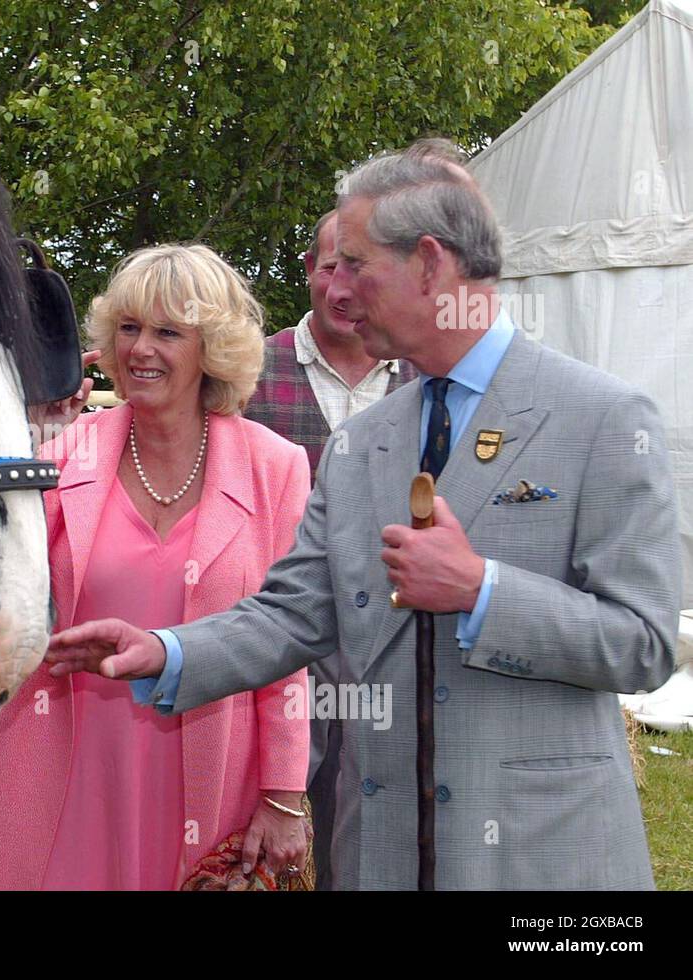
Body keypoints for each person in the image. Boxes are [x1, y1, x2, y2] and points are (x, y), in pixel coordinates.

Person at [46, 148, 679, 889]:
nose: (335, 290)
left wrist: (483, 591)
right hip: (378, 858)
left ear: (430, 264)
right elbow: (292, 614)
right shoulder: (360, 444)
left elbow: (644, 644)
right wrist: (166, 651)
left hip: (539, 863)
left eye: (353, 263)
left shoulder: (602, 418)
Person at [0, 243, 312, 890]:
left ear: (210, 348)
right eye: (128, 328)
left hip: (213, 770)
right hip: (70, 766)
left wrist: (284, 794)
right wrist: (28, 439)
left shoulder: (276, 468)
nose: (140, 349)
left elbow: (289, 640)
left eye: (167, 332)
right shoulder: (65, 454)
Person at [245, 208, 415, 889]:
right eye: (330, 265)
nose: (343, 286)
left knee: (375, 835)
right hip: (277, 649)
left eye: (361, 267)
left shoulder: (427, 380)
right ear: (308, 272)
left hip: (392, 651)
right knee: (258, 831)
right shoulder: (245, 370)